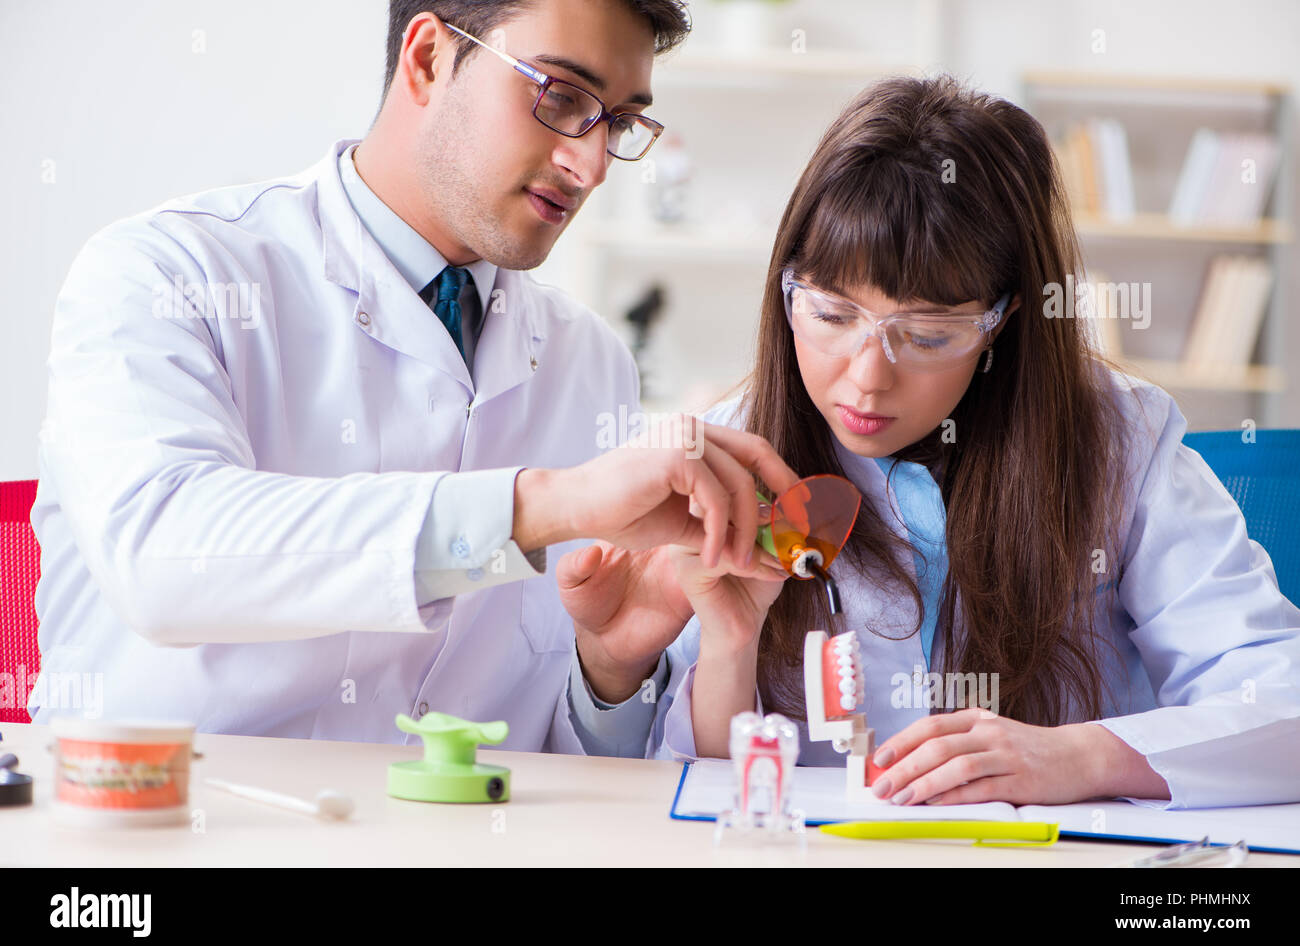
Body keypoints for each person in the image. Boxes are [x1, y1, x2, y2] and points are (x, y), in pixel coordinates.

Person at [28, 0, 799, 751]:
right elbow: (163, 555)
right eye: (562, 97)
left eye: (620, 122)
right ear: (428, 57)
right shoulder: (169, 272)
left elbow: (563, 775)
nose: (591, 163)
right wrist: (538, 505)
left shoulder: (589, 361)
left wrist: (611, 670)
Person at [559, 75, 1300, 809]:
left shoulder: (1121, 436)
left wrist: (1079, 755)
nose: (868, 378)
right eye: (831, 315)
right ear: (787, 291)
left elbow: (1282, 704)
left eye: (927, 334)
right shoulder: (733, 450)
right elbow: (695, 791)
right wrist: (727, 648)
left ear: (1000, 325)